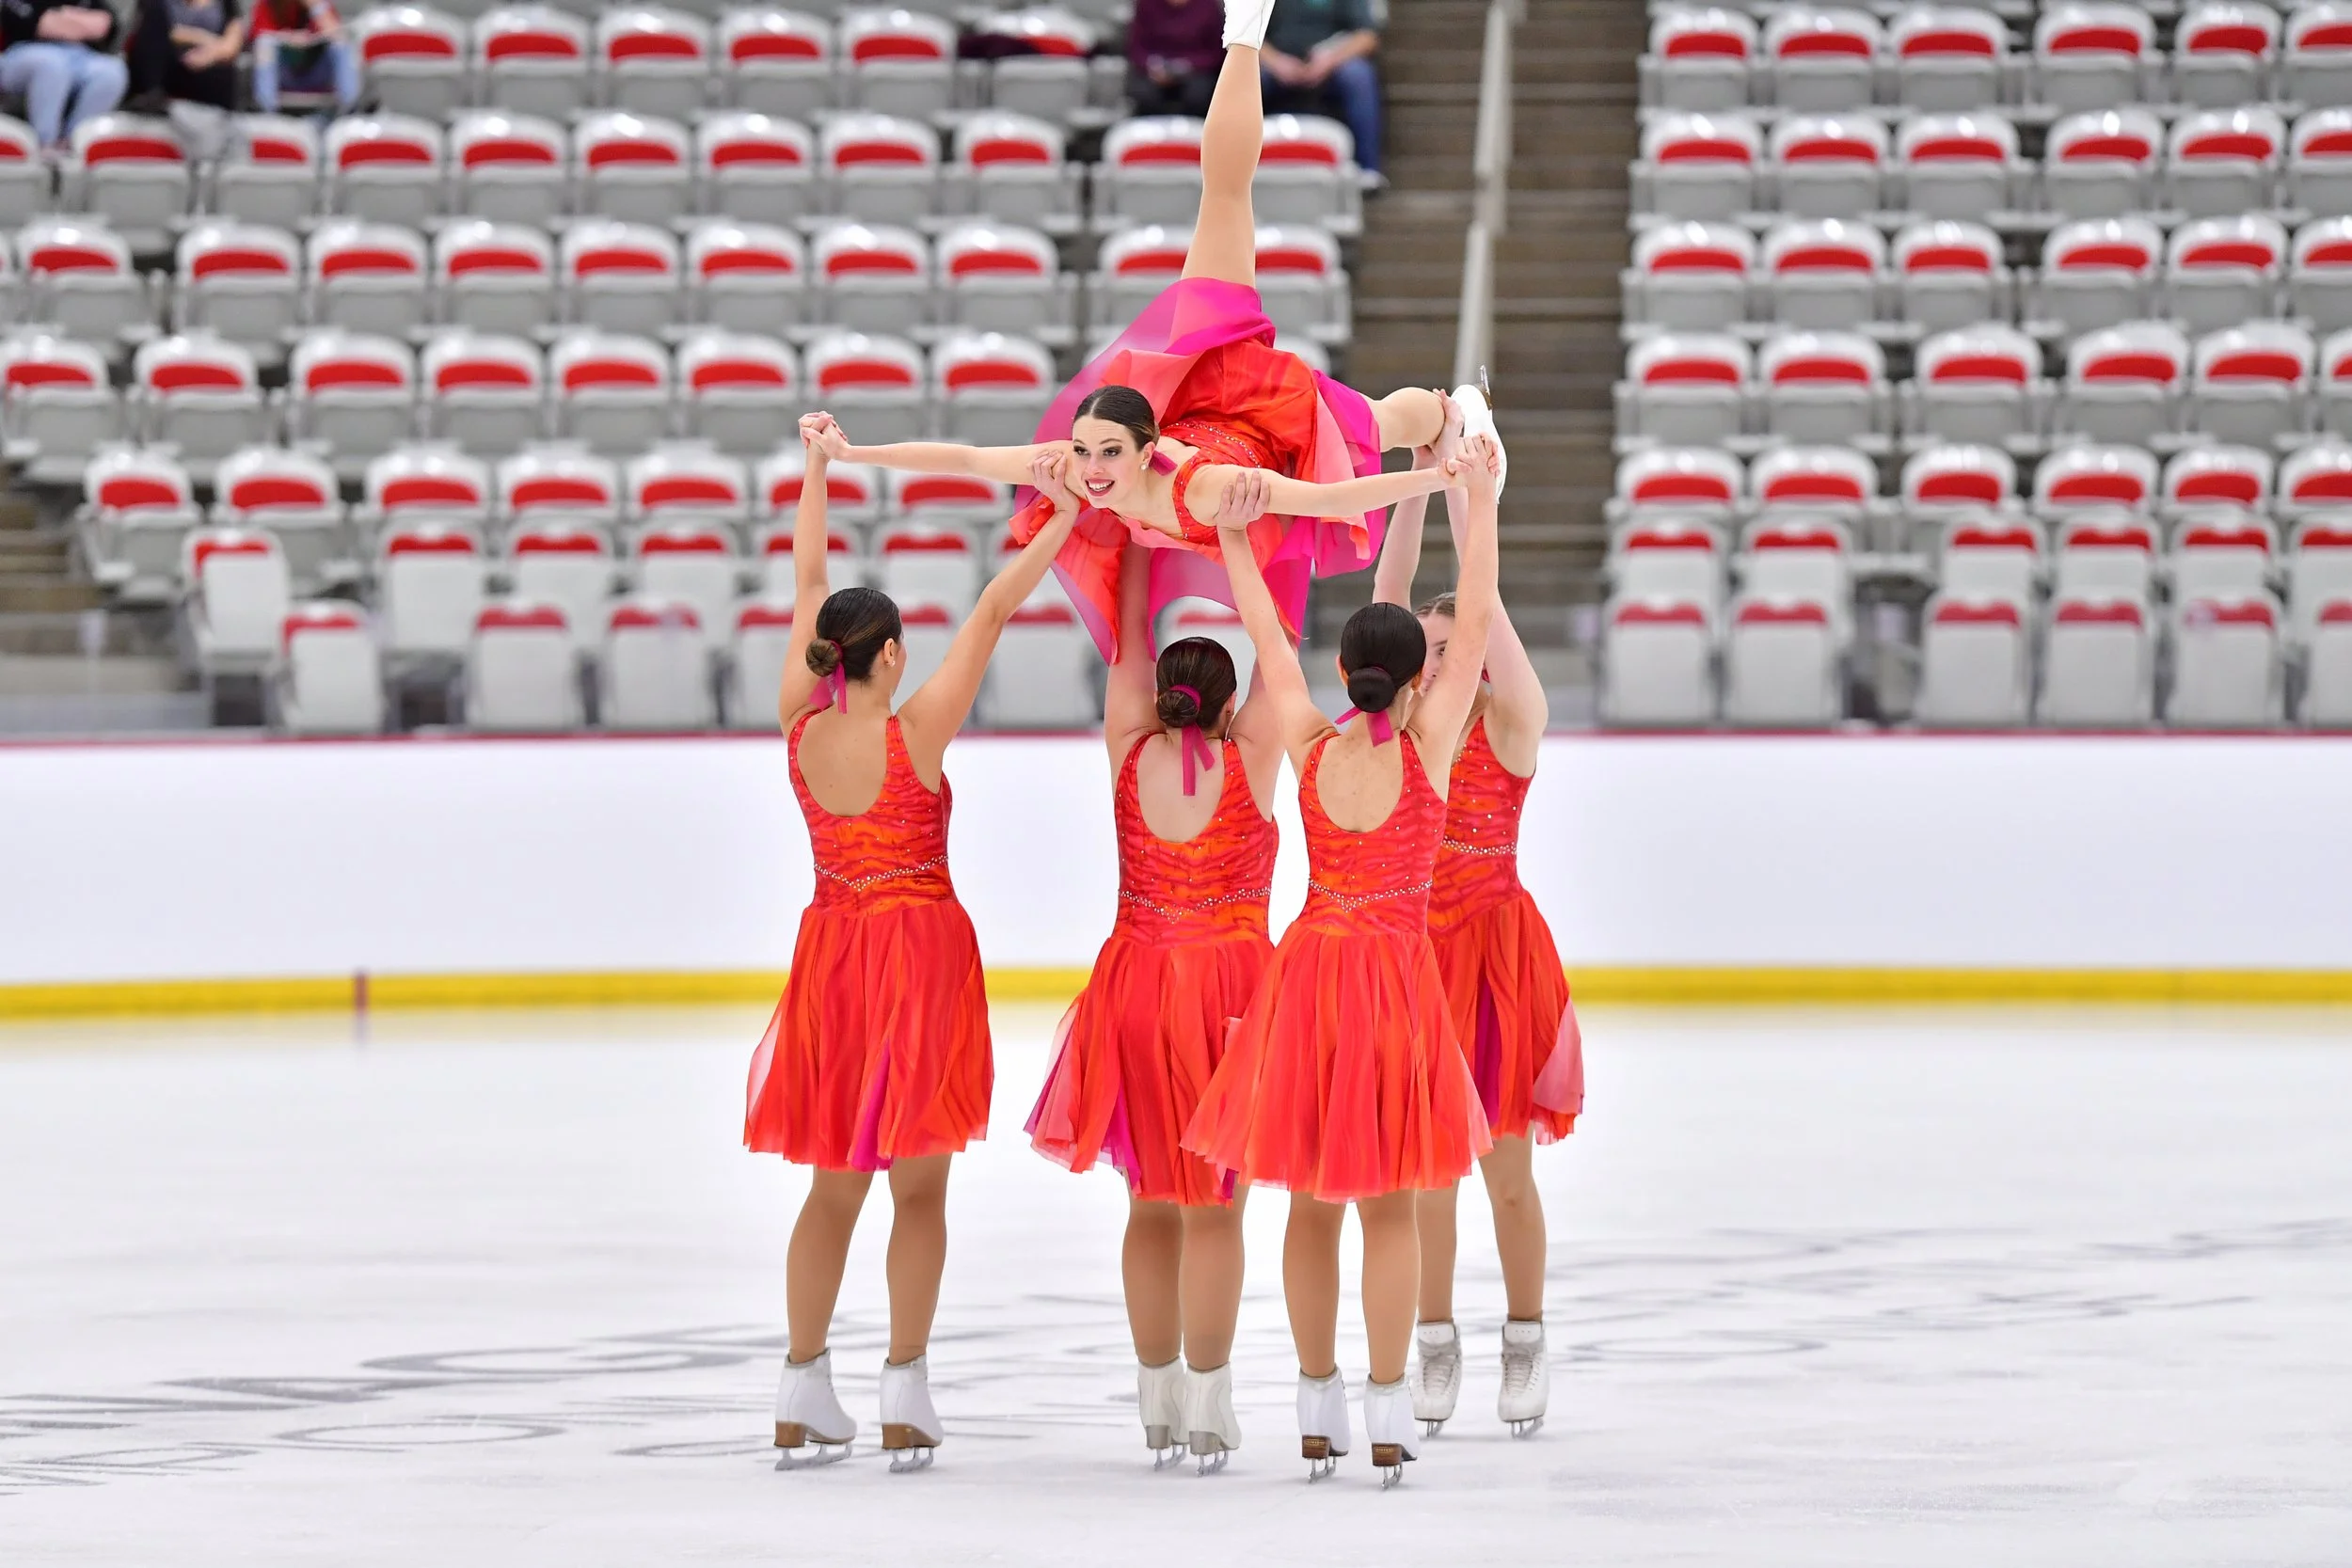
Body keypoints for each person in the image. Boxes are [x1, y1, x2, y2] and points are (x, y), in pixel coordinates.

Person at [801, 0, 1501, 665]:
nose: (1091, 469)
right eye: (1085, 451)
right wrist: (855, 454)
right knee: (1228, 205)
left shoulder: (1200, 488)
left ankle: (1451, 411)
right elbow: (969, 459)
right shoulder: (1079, 467)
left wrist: (1441, 475)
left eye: (1107, 453)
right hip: (1211, 403)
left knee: (1376, 419)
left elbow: (1327, 500)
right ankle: (1245, 37)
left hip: (1261, 407)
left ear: (1145, 452)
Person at [747, 414, 1085, 1472]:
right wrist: (1065, 515)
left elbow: (808, 577)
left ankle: (802, 1382)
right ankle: (904, 1384)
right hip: (920, 961)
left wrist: (817, 466)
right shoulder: (918, 729)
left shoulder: (799, 723)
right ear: (890, 653)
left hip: (832, 959)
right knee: (919, 1189)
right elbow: (994, 606)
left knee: (831, 1184)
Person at [1184, 423, 1504, 1487]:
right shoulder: (1431, 745)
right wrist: (1481, 498)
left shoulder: (1310, 743)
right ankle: (1385, 1405)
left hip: (1310, 973)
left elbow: (1263, 636)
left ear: (1343, 671)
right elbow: (1477, 617)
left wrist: (1236, 537)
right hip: (1390, 982)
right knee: (1390, 1203)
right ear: (1421, 679)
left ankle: (1316, 1401)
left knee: (1309, 1203)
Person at [1024, 470, 1281, 1473]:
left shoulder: (1128, 749)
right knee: (1215, 1204)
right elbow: (1276, 643)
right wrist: (1256, 535)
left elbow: (1127, 637)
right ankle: (1209, 1399)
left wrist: (1130, 530)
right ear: (1229, 704)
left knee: (1148, 1200)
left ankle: (1157, 1391)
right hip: (1231, 996)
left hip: (1132, 986)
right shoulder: (1254, 755)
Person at [1372, 451, 1584, 1441]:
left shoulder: (1511, 724)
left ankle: (1526, 1336)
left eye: (1454, 643)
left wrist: (1475, 498)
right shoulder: (1401, 729)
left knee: (1506, 1172)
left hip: (1496, 961)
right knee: (1428, 1175)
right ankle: (1433, 1337)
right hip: (1418, 959)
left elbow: (1482, 602)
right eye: (1425, 644)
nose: (1435, 657)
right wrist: (1417, 479)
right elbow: (1385, 599)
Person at [1260, 0, 1382, 183]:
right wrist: (1276, 62)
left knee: (1358, 75)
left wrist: (1330, 60)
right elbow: (1243, 32)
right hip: (1275, 65)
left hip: (1333, 64)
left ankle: (1367, 170)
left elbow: (1367, 36)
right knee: (1247, 77)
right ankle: (1234, 167)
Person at [0, 0, 127, 150]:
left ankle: (74, 145)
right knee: (52, 66)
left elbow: (104, 25)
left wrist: (63, 18)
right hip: (24, 51)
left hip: (79, 54)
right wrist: (82, 22)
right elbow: (43, 25)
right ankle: (44, 145)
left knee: (112, 72)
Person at [127, 0, 243, 117]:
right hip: (168, 64)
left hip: (209, 64)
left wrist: (210, 55)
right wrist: (203, 38)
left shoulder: (226, 3)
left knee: (222, 74)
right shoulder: (157, 4)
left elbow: (232, 43)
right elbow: (158, 31)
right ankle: (152, 96)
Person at [248, 0, 358, 115]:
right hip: (285, 75)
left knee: (341, 44)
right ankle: (267, 112)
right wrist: (289, 38)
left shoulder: (319, 4)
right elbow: (258, 39)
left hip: (316, 72)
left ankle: (349, 110)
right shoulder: (266, 5)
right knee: (264, 45)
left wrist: (315, 7)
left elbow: (335, 33)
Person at [1125, 0, 1223, 117]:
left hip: (1197, 71)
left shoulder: (1208, 5)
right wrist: (1152, 65)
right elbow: (1136, 48)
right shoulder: (1146, 4)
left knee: (1199, 95)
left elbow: (1216, 52)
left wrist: (1188, 66)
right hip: (1154, 71)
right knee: (1144, 95)